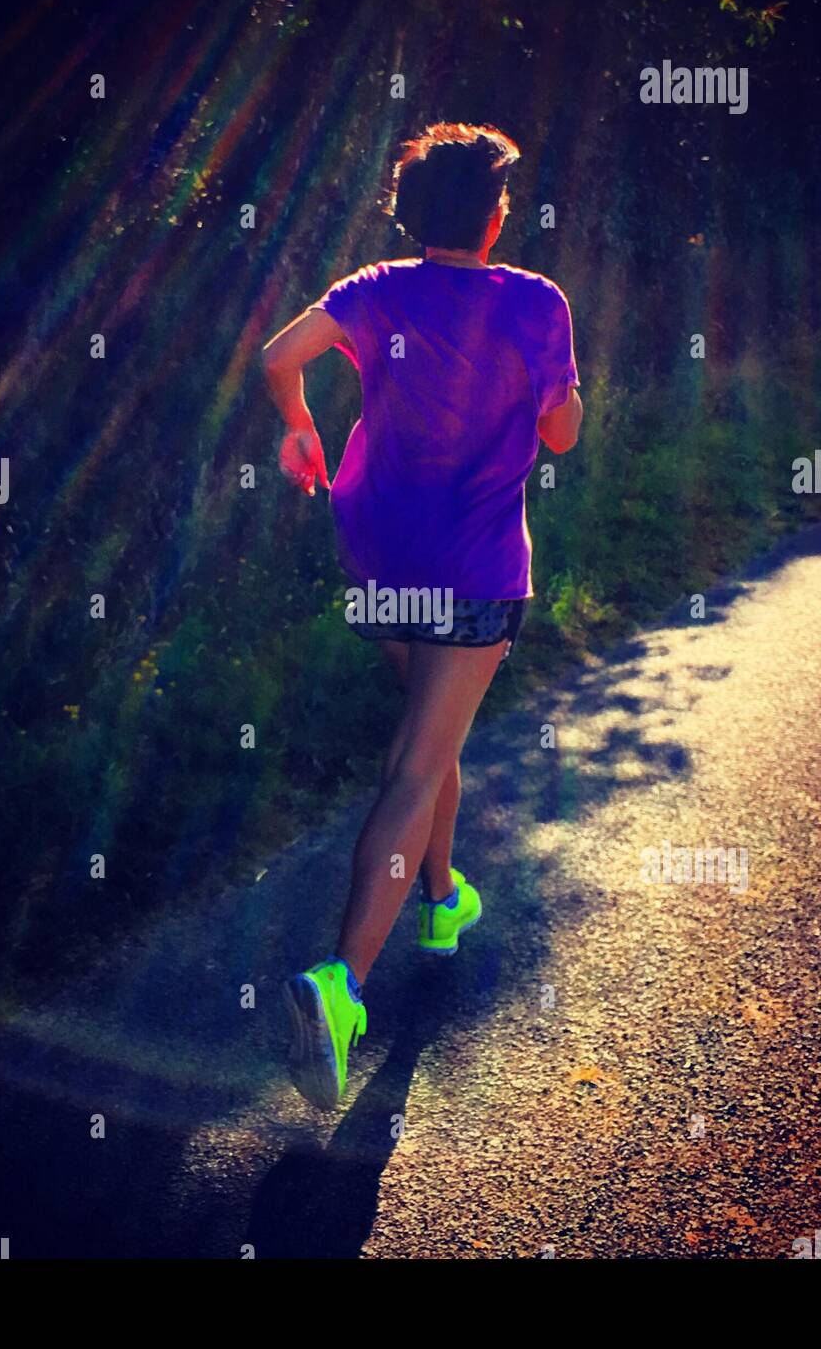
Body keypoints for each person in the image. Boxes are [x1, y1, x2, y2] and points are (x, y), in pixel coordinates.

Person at [260, 122, 582, 1109]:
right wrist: (543, 393)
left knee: (426, 739)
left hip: (381, 549)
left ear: (409, 213)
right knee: (417, 761)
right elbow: (562, 434)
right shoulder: (534, 301)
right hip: (475, 565)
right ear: (494, 215)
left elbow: (280, 355)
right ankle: (340, 984)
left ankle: (444, 903)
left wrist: (302, 427)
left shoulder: (373, 287)